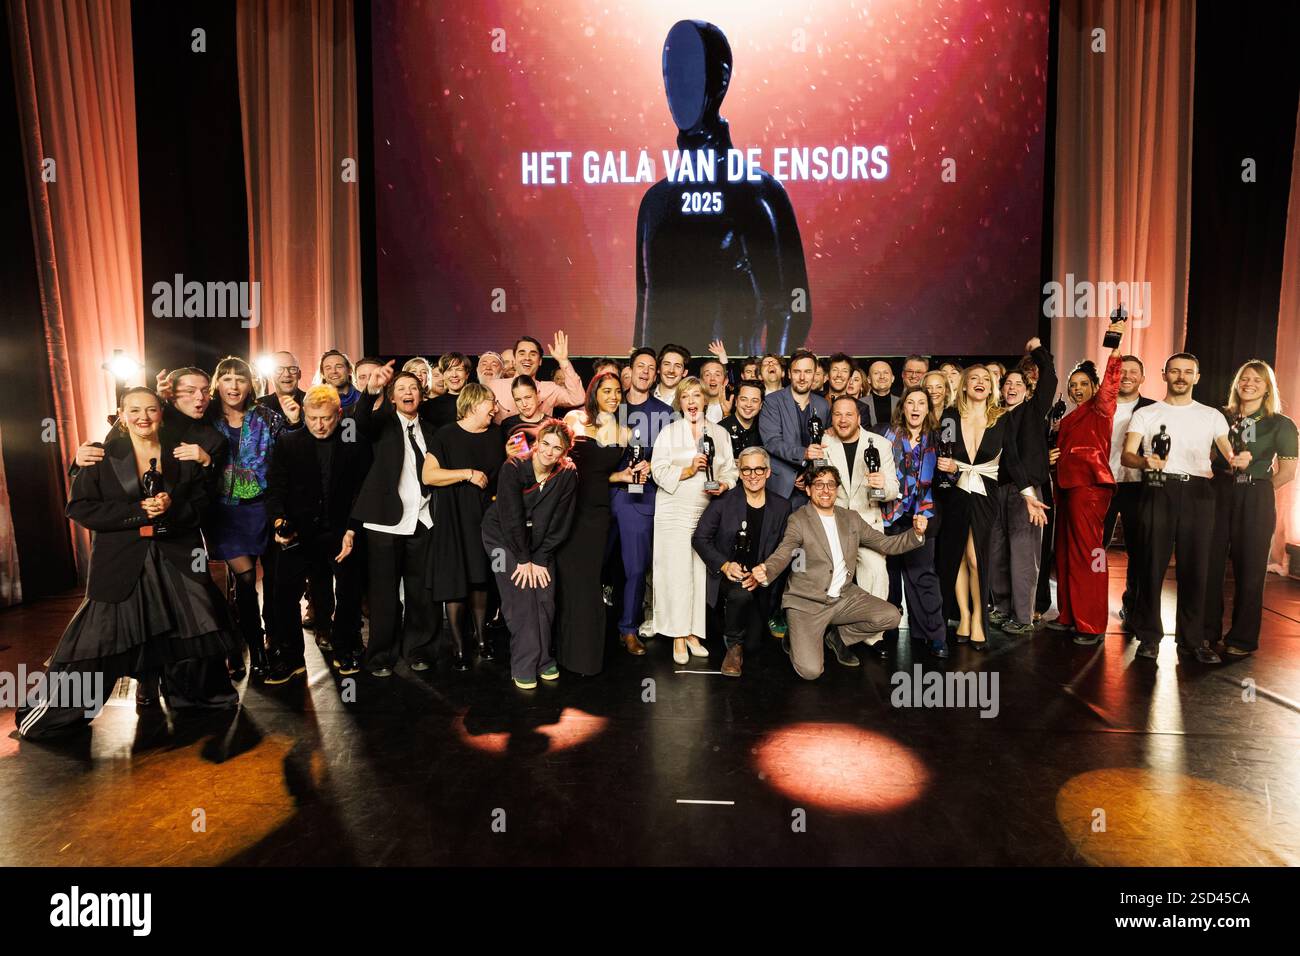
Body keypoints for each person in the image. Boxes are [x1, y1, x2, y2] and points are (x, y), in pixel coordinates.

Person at [16, 388, 237, 739]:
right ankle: (56, 712)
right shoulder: (99, 455)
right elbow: (80, 508)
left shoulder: (181, 452)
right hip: (121, 561)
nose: (143, 417)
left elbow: (199, 504)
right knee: (98, 640)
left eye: (151, 409)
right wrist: (137, 513)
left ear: (161, 413)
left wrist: (171, 508)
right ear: (121, 413)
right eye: (134, 410)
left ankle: (195, 698)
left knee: (193, 626)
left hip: (174, 555)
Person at [751, 464, 924, 679]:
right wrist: (766, 570)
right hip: (807, 602)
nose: (825, 490)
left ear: (837, 488)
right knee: (811, 672)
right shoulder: (799, 520)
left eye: (831, 484)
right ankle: (797, 636)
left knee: (890, 616)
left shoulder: (851, 518)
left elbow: (885, 544)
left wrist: (915, 533)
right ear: (808, 489)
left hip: (843, 597)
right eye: (819, 484)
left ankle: (837, 636)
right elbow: (785, 551)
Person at [1121, 353, 1237, 664]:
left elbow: (1228, 451)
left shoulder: (1212, 415)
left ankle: (1192, 641)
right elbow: (1127, 455)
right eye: (1175, 371)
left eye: (1188, 372)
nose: (1181, 377)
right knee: (1150, 565)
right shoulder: (1147, 413)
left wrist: (1237, 458)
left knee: (1196, 569)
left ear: (1197, 377)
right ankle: (1148, 638)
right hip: (1158, 487)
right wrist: (1146, 462)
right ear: (1164, 375)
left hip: (1199, 492)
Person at [265, 384, 371, 679]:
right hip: (298, 532)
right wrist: (278, 522)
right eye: (312, 418)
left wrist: (353, 528)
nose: (319, 425)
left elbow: (363, 491)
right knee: (284, 594)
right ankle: (290, 657)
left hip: (342, 531)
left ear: (338, 414)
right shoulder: (288, 442)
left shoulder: (354, 442)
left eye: (325, 418)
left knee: (349, 592)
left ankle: (346, 648)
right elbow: (275, 488)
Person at [936, 365, 1044, 648]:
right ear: (964, 385)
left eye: (986, 379)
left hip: (985, 493)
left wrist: (1028, 495)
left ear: (992, 387)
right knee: (958, 556)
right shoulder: (950, 416)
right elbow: (942, 455)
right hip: (955, 492)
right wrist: (945, 467)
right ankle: (965, 617)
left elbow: (1013, 462)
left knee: (975, 558)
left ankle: (979, 618)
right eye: (974, 378)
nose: (980, 382)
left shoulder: (1001, 418)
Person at [351, 363, 440, 676]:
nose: (408, 393)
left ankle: (418, 649)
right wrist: (371, 390)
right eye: (401, 388)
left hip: (423, 520)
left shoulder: (431, 430)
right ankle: (381, 655)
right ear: (391, 397)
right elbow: (359, 423)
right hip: (384, 522)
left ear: (421, 395)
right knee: (385, 592)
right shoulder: (382, 424)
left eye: (413, 388)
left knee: (421, 591)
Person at [1203, 360, 1297, 658]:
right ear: (1236, 383)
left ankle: (1242, 639)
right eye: (1244, 378)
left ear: (1267, 387)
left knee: (1251, 569)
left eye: (1257, 379)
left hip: (1255, 495)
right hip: (1217, 491)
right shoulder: (1219, 417)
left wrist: (1256, 484)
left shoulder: (1280, 423)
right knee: (1209, 565)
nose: (1249, 383)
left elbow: (1287, 472)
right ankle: (1205, 633)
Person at [556, 373, 644, 674]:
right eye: (606, 391)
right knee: (566, 581)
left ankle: (584, 657)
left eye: (618, 391)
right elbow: (556, 460)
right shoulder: (575, 419)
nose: (613, 396)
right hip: (567, 507)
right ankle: (558, 651)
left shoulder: (624, 433)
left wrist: (622, 477)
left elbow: (601, 476)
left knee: (588, 582)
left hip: (597, 513)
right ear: (594, 392)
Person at [481, 421, 578, 689]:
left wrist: (539, 557)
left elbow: (562, 520)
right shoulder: (512, 467)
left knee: (545, 594)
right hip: (502, 537)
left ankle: (544, 660)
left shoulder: (567, 474)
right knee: (521, 594)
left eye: (557, 448)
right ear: (537, 442)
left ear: (564, 452)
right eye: (545, 443)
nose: (549, 452)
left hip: (538, 541)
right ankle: (524, 665)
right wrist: (523, 560)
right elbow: (510, 517)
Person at [207, 356, 286, 682]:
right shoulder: (207, 420)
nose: (234, 385)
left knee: (276, 583)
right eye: (227, 379)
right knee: (244, 581)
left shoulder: (268, 418)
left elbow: (289, 459)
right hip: (227, 513)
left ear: (250, 383)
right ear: (218, 385)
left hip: (265, 509)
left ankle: (274, 638)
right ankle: (255, 652)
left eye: (240, 379)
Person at [650, 377, 738, 664]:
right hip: (673, 509)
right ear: (680, 402)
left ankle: (692, 633)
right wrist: (687, 471)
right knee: (676, 573)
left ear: (704, 400)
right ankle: (676, 634)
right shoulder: (669, 432)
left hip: (705, 511)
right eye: (685, 396)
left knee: (699, 575)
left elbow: (731, 470)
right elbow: (657, 470)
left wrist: (724, 485)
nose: (691, 401)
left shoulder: (720, 434)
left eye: (696, 395)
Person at [1048, 320, 1126, 645]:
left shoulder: (1100, 410)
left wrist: (1115, 343)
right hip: (1066, 489)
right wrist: (1052, 457)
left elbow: (1111, 383)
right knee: (1065, 554)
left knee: (1089, 555)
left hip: (1090, 490)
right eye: (1073, 384)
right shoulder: (1067, 417)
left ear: (1094, 387)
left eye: (1083, 383)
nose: (1077, 388)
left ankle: (1091, 623)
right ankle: (1068, 615)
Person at [421, 383, 505, 669]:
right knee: (455, 580)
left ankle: (482, 640)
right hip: (453, 517)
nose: (495, 407)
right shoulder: (446, 434)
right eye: (490, 402)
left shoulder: (497, 435)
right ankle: (459, 648)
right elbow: (429, 476)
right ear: (472, 404)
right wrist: (467, 474)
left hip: (485, 516)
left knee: (481, 578)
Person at [691, 447, 792, 677]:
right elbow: (700, 538)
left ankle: (737, 633)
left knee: (755, 645)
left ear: (768, 472)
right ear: (740, 471)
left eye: (758, 469)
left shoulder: (782, 506)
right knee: (740, 595)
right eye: (746, 469)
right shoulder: (724, 501)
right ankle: (733, 648)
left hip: (759, 581)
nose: (752, 475)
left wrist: (764, 573)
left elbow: (784, 549)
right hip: (727, 579)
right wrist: (725, 565)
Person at [822, 396, 899, 660]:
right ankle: (828, 630)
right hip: (833, 525)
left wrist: (881, 484)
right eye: (837, 415)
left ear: (858, 418)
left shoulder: (881, 444)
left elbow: (893, 490)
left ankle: (870, 636)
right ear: (832, 418)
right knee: (827, 580)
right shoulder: (823, 443)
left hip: (868, 523)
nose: (843, 420)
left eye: (848, 415)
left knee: (877, 575)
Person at [989, 338, 1057, 634]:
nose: (1012, 387)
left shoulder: (1033, 409)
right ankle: (1002, 608)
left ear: (1028, 389)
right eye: (1007, 384)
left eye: (1018, 383)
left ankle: (1023, 616)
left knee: (1023, 556)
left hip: (1026, 493)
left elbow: (1051, 377)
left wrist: (1037, 350)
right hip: (999, 491)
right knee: (998, 554)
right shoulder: (997, 418)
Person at [610, 348, 674, 655]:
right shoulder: (611, 402)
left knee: (636, 568)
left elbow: (672, 457)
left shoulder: (664, 412)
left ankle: (628, 628)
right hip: (599, 496)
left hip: (639, 497)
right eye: (641, 366)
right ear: (630, 370)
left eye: (652, 367)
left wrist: (654, 465)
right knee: (596, 566)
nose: (646, 371)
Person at [881, 388, 948, 658]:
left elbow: (947, 482)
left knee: (923, 575)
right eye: (910, 402)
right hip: (890, 515)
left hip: (923, 516)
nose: (915, 407)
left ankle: (933, 635)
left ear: (928, 409)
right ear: (903, 407)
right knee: (889, 581)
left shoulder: (938, 438)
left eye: (922, 403)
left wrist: (952, 471)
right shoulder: (887, 436)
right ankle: (886, 633)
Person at [1102, 355, 1154, 626]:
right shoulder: (1101, 406)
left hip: (1138, 487)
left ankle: (1131, 604)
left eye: (1134, 371)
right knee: (1097, 548)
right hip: (1103, 485)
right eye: (1122, 371)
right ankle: (1095, 599)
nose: (1127, 376)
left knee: (1138, 549)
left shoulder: (1154, 409)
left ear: (1142, 378)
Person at [758, 349, 831, 506]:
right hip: (781, 486)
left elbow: (825, 445)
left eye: (808, 372)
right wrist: (804, 453)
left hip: (812, 484)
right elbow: (772, 441)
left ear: (815, 374)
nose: (803, 377)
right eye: (797, 372)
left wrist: (810, 473)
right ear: (789, 374)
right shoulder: (772, 402)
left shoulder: (823, 405)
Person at [487, 333, 584, 422]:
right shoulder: (494, 386)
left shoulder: (550, 389)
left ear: (540, 361)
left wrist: (563, 361)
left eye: (533, 354)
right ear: (515, 360)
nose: (527, 358)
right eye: (522, 353)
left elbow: (578, 398)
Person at [501, 375, 548, 457]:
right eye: (518, 400)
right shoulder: (507, 424)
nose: (524, 404)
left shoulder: (552, 424)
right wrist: (508, 456)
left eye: (528, 397)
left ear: (537, 395)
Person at [257, 351, 305, 429]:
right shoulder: (259, 405)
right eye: (279, 369)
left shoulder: (313, 402)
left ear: (299, 374)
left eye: (292, 369)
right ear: (269, 376)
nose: (286, 374)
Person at [718, 379, 763, 459]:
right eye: (743, 399)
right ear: (736, 401)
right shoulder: (720, 429)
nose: (748, 404)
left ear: (760, 405)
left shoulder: (765, 429)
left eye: (754, 401)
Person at [425, 352, 471, 427]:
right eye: (449, 370)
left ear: (467, 374)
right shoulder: (429, 407)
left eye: (459, 369)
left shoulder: (478, 401)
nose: (454, 375)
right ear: (443, 375)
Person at [863, 360, 899, 431]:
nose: (882, 376)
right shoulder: (860, 404)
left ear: (892, 378)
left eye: (886, 373)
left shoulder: (902, 403)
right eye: (876, 373)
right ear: (869, 379)